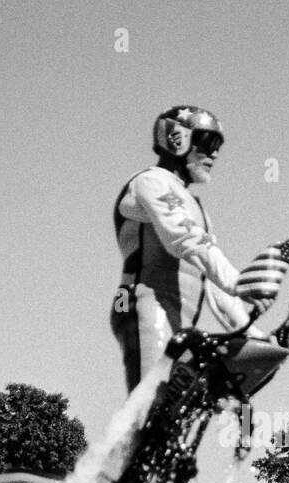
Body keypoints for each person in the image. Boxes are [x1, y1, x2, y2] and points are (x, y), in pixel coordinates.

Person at [110, 105, 269, 394]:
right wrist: (240, 282)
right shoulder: (150, 182)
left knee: (175, 416)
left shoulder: (197, 208)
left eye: (218, 146)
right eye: (208, 142)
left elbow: (214, 284)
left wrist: (252, 333)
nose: (215, 154)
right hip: (145, 306)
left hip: (181, 323)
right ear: (177, 138)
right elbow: (184, 239)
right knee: (149, 405)